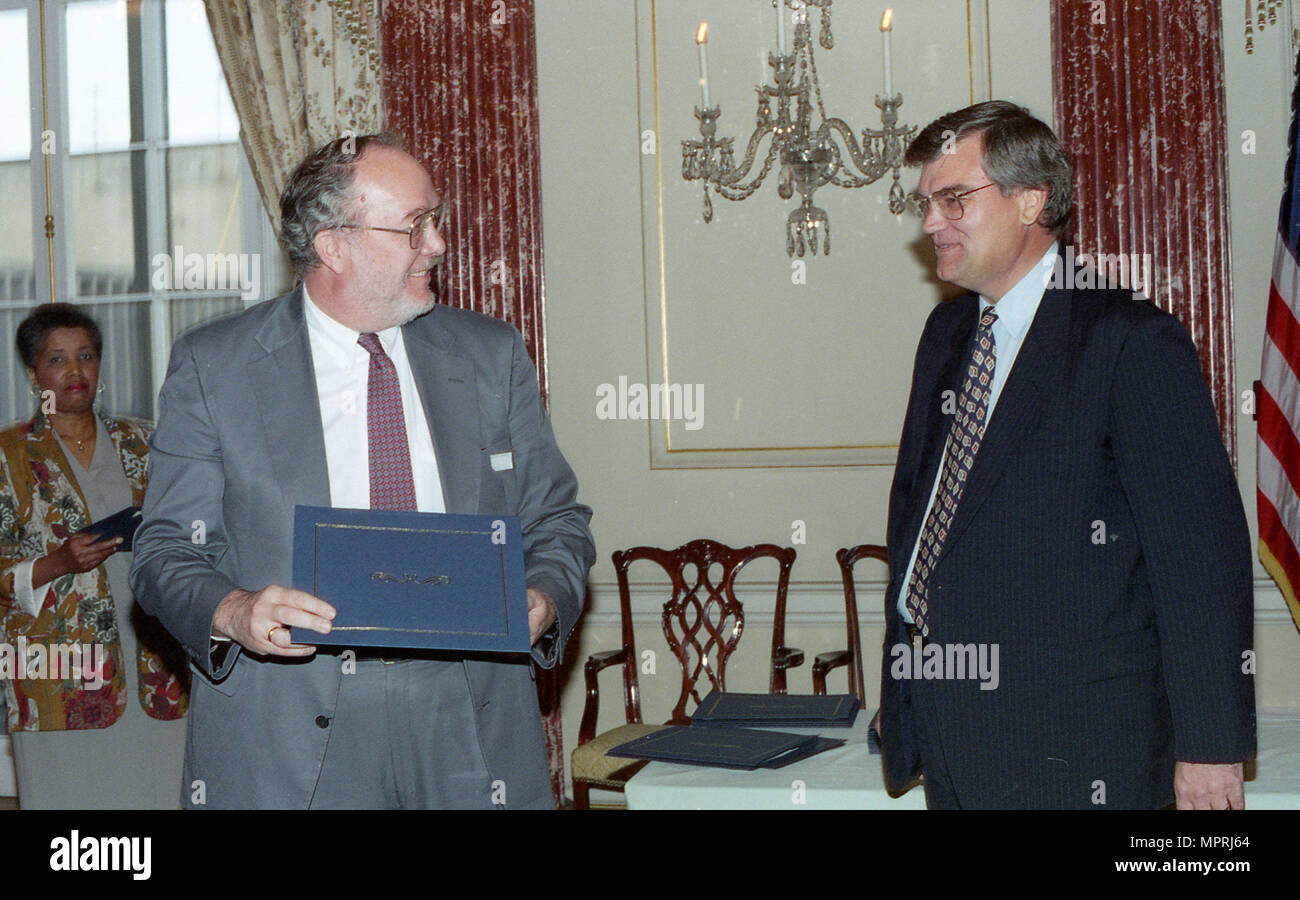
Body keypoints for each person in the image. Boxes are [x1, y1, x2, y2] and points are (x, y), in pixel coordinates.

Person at [130, 133, 595, 809]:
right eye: (414, 227)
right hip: (289, 725)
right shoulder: (216, 366)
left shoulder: (491, 355)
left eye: (435, 220)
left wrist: (547, 596)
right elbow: (164, 552)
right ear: (334, 246)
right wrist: (233, 611)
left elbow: (557, 520)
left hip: (467, 717)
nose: (436, 244)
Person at [871, 101, 1255, 809]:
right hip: (955, 733)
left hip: (1082, 747)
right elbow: (926, 525)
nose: (929, 223)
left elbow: (1199, 558)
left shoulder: (1127, 341)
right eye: (924, 203)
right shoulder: (947, 334)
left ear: (1031, 200)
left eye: (954, 199)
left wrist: (1210, 748)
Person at [0, 303, 189, 809]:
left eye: (85, 355)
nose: (75, 371)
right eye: (57, 359)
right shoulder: (7, 455)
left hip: (155, 660)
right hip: (57, 671)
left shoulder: (149, 443)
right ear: (33, 373)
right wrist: (59, 562)